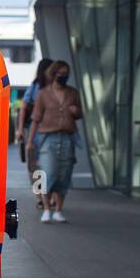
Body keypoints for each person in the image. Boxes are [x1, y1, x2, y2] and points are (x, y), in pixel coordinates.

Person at [27, 60, 82, 223]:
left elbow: (80, 113)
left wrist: (75, 111)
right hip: (47, 138)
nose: (63, 77)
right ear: (54, 74)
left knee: (64, 174)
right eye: (60, 74)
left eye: (66, 74)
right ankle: (46, 208)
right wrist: (30, 141)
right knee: (47, 172)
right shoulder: (43, 93)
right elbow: (35, 118)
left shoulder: (73, 93)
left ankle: (58, 210)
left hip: (67, 137)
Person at [17, 58, 53, 211]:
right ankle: (41, 197)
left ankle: (43, 198)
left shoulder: (39, 87)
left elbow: (24, 107)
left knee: (42, 167)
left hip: (45, 132)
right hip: (36, 132)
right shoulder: (36, 86)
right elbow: (24, 108)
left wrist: (19, 130)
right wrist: (20, 130)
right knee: (38, 167)